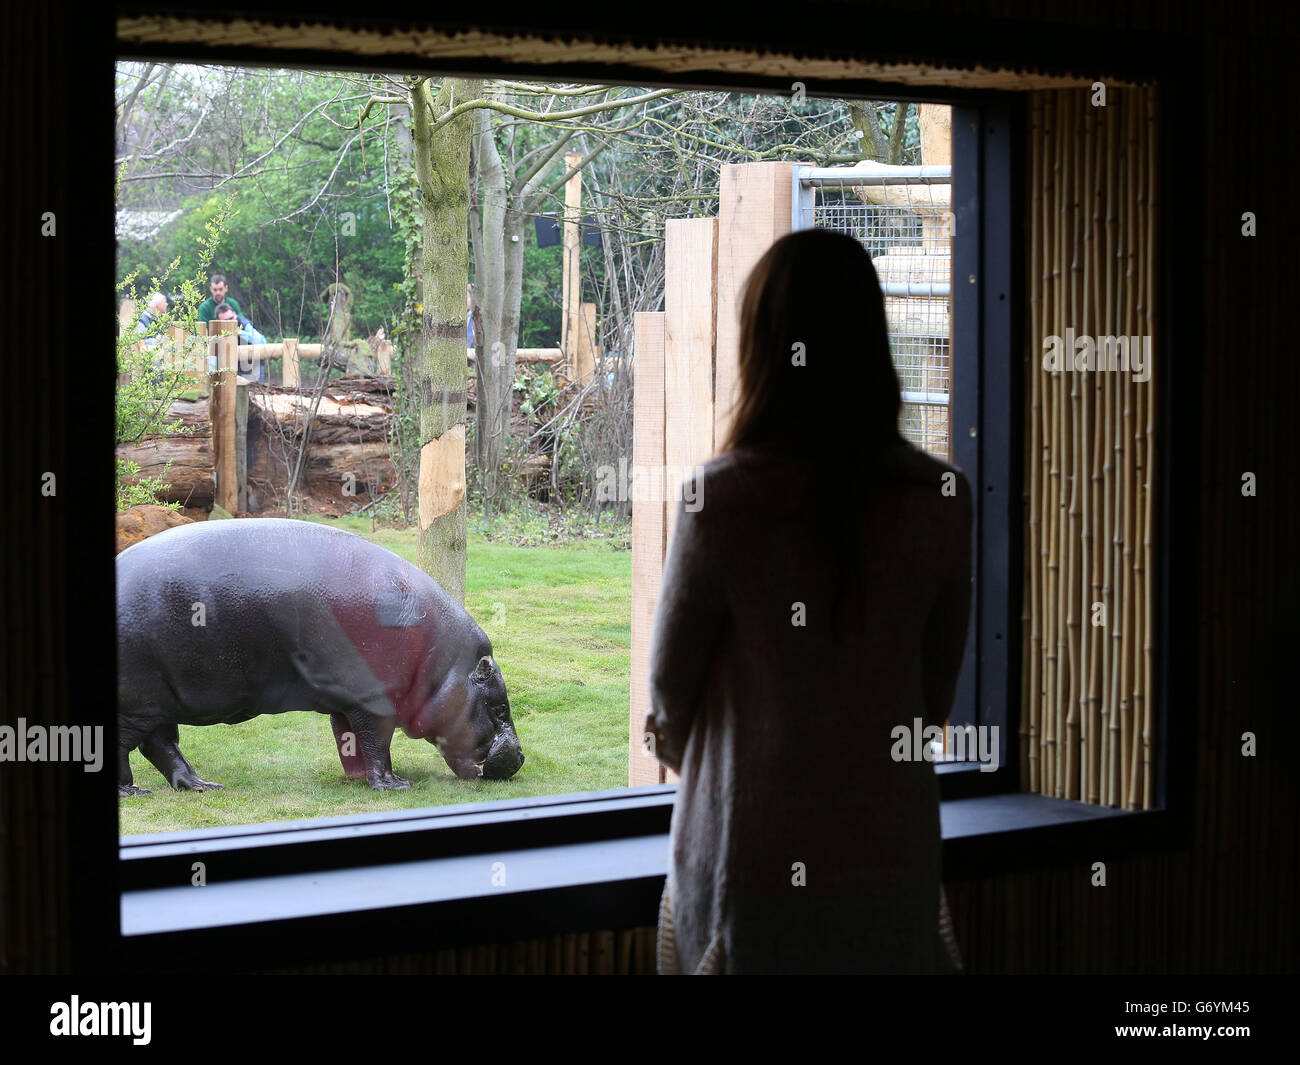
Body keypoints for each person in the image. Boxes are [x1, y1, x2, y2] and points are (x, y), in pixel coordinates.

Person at [643, 228, 973, 975]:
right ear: (874, 340)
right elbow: (932, 699)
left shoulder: (720, 500)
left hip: (748, 868)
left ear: (761, 348)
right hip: (891, 869)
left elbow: (670, 696)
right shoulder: (943, 502)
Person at [212, 302, 266, 382]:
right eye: (225, 321)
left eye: (231, 318)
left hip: (254, 367)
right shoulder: (216, 329)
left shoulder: (244, 324)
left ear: (235, 314)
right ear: (219, 321)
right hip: (235, 368)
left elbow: (261, 341)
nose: (230, 322)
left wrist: (239, 332)